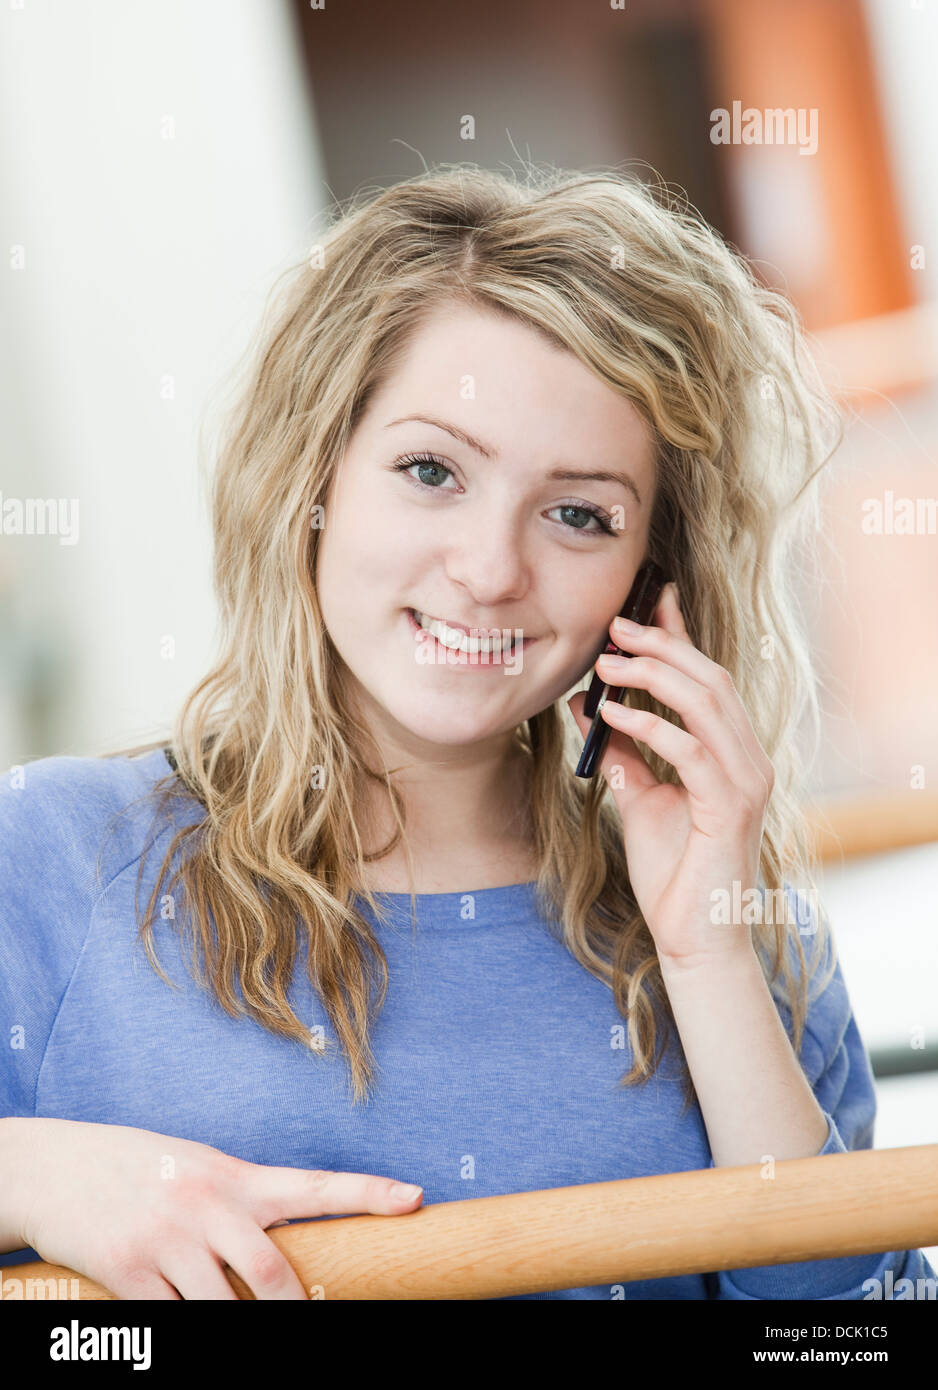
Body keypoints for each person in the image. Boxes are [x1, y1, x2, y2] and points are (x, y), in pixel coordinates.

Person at [1, 164, 933, 1301]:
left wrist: (706, 956)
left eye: (577, 513)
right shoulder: (52, 856)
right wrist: (31, 1172)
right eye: (430, 470)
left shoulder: (734, 918)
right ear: (313, 478)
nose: (491, 571)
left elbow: (841, 1334)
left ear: (647, 585)